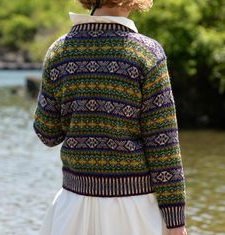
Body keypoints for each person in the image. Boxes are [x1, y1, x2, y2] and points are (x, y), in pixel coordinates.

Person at [33, 0, 188, 235]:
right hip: (133, 210)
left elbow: (47, 134)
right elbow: (163, 144)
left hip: (73, 205)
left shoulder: (59, 51)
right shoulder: (147, 53)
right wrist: (175, 221)